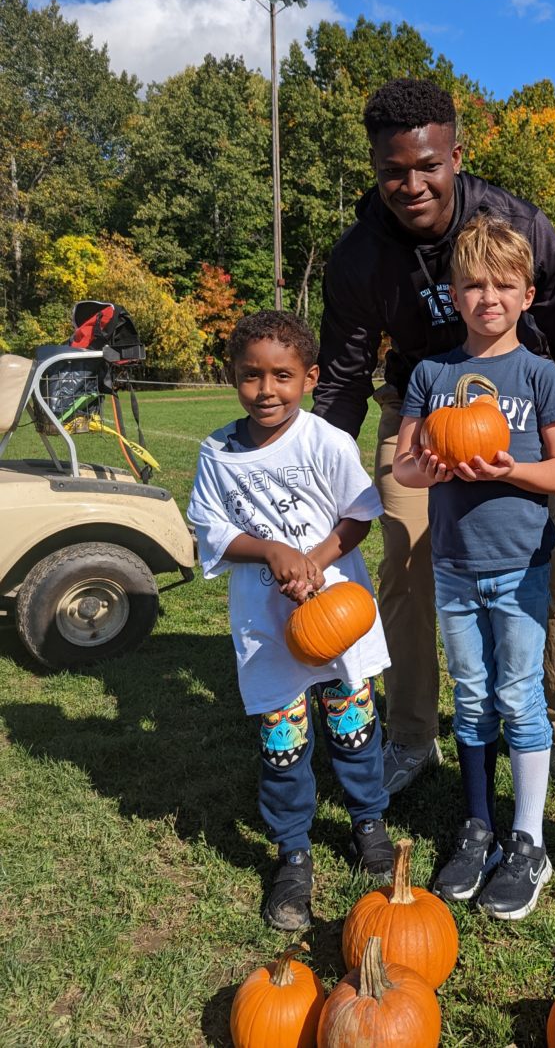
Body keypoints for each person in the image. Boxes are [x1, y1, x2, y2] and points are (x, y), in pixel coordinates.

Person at [313, 77, 555, 806]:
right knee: (405, 561)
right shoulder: (360, 255)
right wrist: (315, 468)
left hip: (516, 407)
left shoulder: (516, 223)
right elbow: (341, 381)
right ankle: (412, 730)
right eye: (394, 170)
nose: (412, 183)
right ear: (376, 167)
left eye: (428, 164)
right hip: (418, 414)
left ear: (456, 153)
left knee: (537, 568)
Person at [393, 214, 555, 919]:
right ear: (452, 293)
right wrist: (429, 466)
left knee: (520, 695)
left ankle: (528, 838)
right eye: (473, 284)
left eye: (503, 285)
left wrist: (511, 469)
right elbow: (409, 462)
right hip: (454, 566)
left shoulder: (539, 373)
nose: (488, 297)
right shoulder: (434, 374)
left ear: (527, 294)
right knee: (471, 696)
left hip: (520, 565)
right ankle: (477, 827)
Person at [187, 311, 394, 932]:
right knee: (284, 744)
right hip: (268, 628)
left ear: (310, 377)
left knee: (353, 725)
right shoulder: (217, 452)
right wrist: (271, 551)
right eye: (252, 376)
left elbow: (360, 513)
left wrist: (315, 561)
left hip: (338, 617)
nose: (266, 389)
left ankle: (368, 821)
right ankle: (293, 851)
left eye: (282, 375)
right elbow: (211, 531)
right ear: (233, 377)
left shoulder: (324, 440)